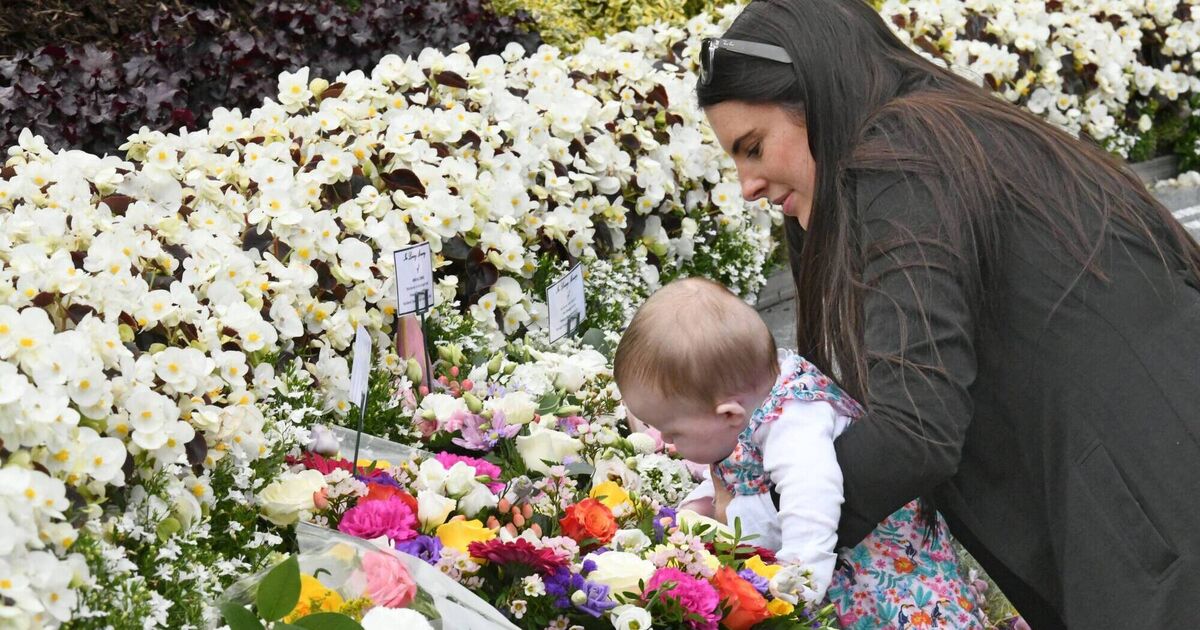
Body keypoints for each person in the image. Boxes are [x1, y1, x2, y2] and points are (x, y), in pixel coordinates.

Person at [694, 0, 1200, 627]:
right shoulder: (941, 130)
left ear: (818, 99)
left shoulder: (898, 163)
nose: (747, 184)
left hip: (1158, 516)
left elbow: (915, 429)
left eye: (754, 146)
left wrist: (768, 520)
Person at [615, 277, 985, 627]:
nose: (666, 440)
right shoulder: (749, 406)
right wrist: (696, 509)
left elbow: (811, 499)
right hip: (844, 567)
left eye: (673, 431)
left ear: (728, 413)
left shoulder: (794, 420)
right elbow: (737, 478)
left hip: (885, 577)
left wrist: (796, 586)